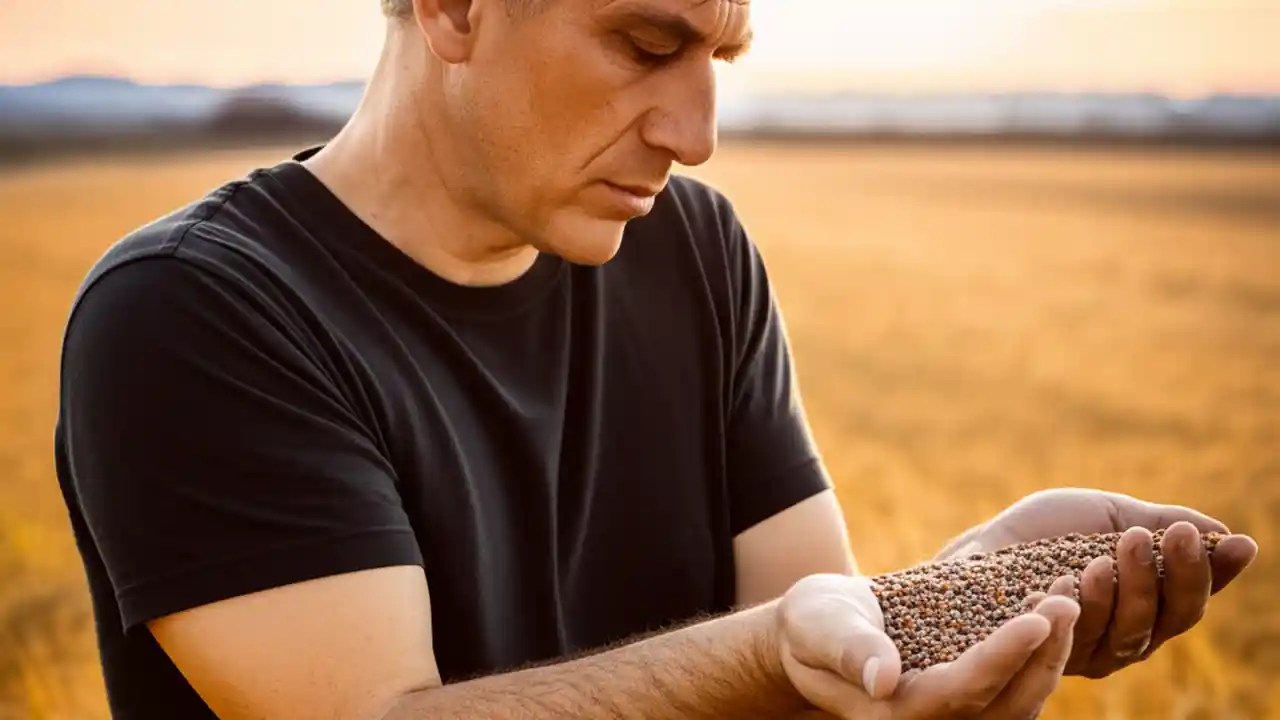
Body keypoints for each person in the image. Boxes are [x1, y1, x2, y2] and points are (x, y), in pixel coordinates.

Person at [54, 0, 1258, 718]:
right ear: (453, 8)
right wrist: (783, 645)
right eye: (643, 43)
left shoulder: (691, 246)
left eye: (715, 62)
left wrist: (963, 598)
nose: (697, 136)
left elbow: (820, 650)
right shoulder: (192, 312)